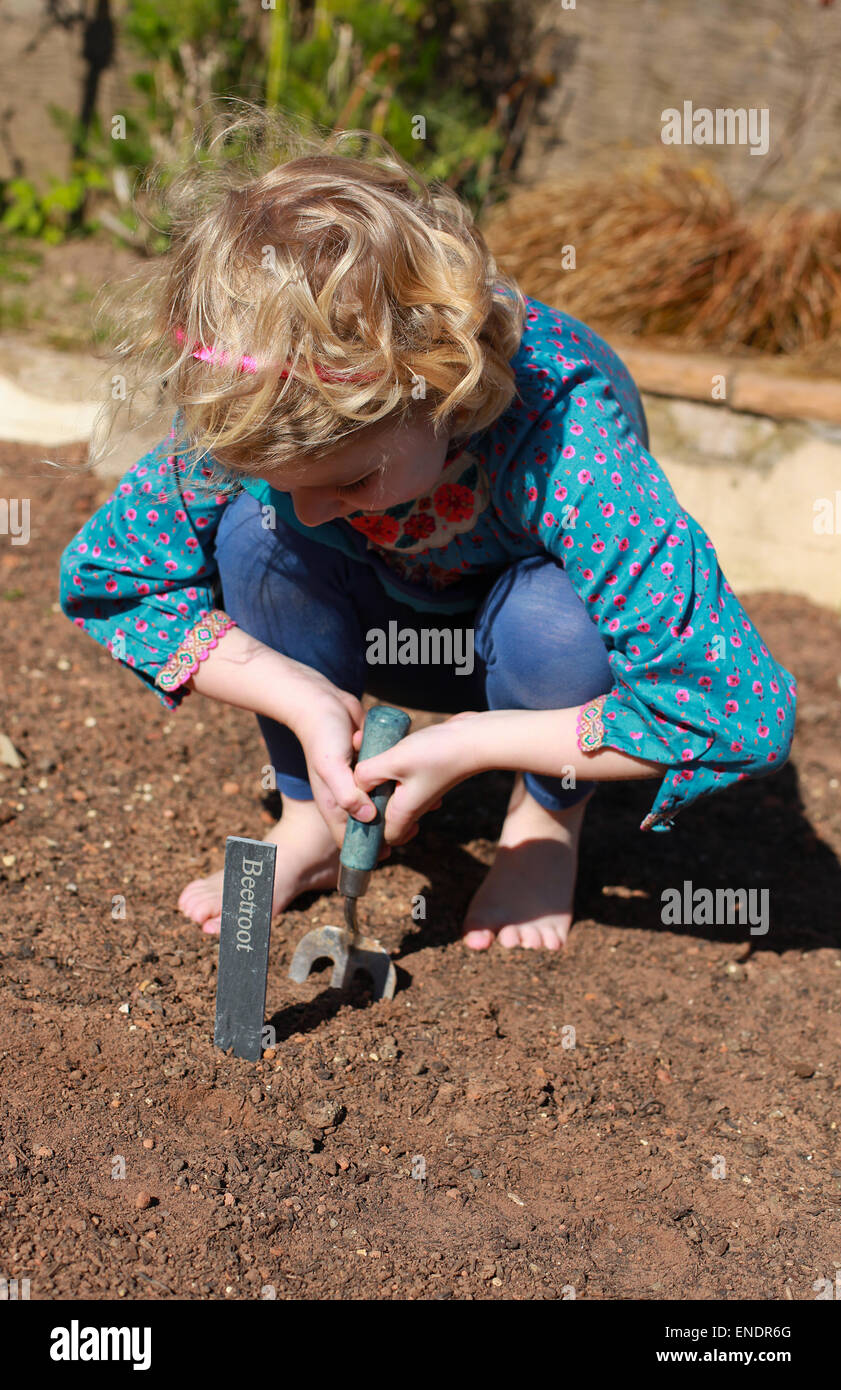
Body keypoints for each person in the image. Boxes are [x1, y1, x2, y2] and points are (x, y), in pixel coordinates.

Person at [59, 119, 796, 951]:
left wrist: (475, 742)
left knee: (559, 615)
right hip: (371, 611)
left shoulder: (566, 440)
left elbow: (733, 709)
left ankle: (541, 827)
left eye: (350, 479)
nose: (313, 508)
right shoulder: (263, 389)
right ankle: (311, 817)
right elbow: (113, 576)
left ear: (443, 392)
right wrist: (292, 692)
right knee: (255, 536)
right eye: (288, 478)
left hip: (513, 646)